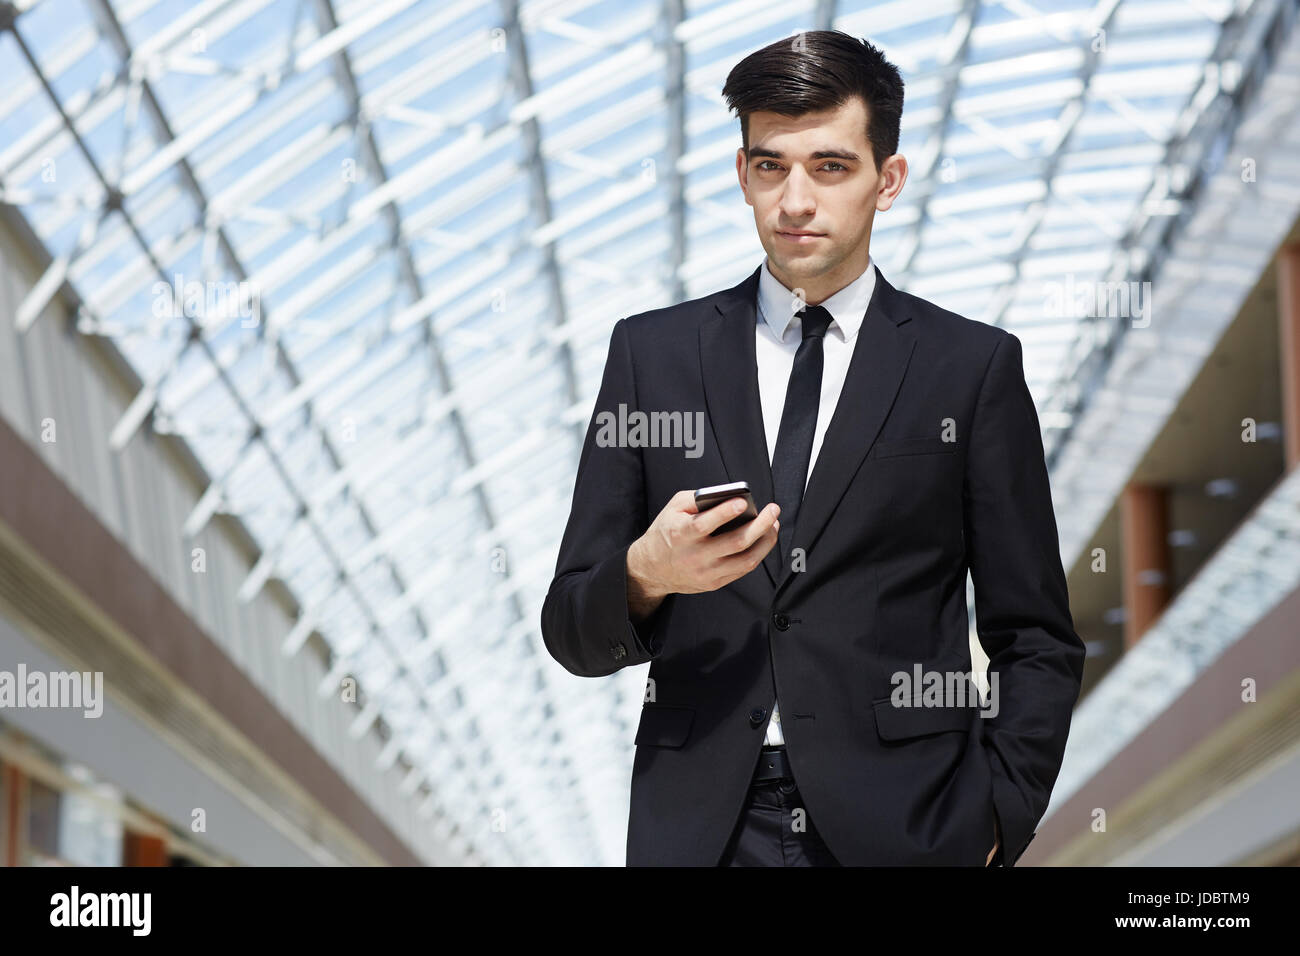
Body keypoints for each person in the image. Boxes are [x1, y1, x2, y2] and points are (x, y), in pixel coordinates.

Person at [540, 30, 1085, 867]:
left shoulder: (969, 369)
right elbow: (571, 629)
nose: (795, 201)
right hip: (702, 829)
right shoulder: (652, 358)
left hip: (911, 826)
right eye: (770, 167)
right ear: (742, 174)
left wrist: (999, 816)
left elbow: (1035, 634)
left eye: (830, 167)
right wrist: (648, 573)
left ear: (887, 180)